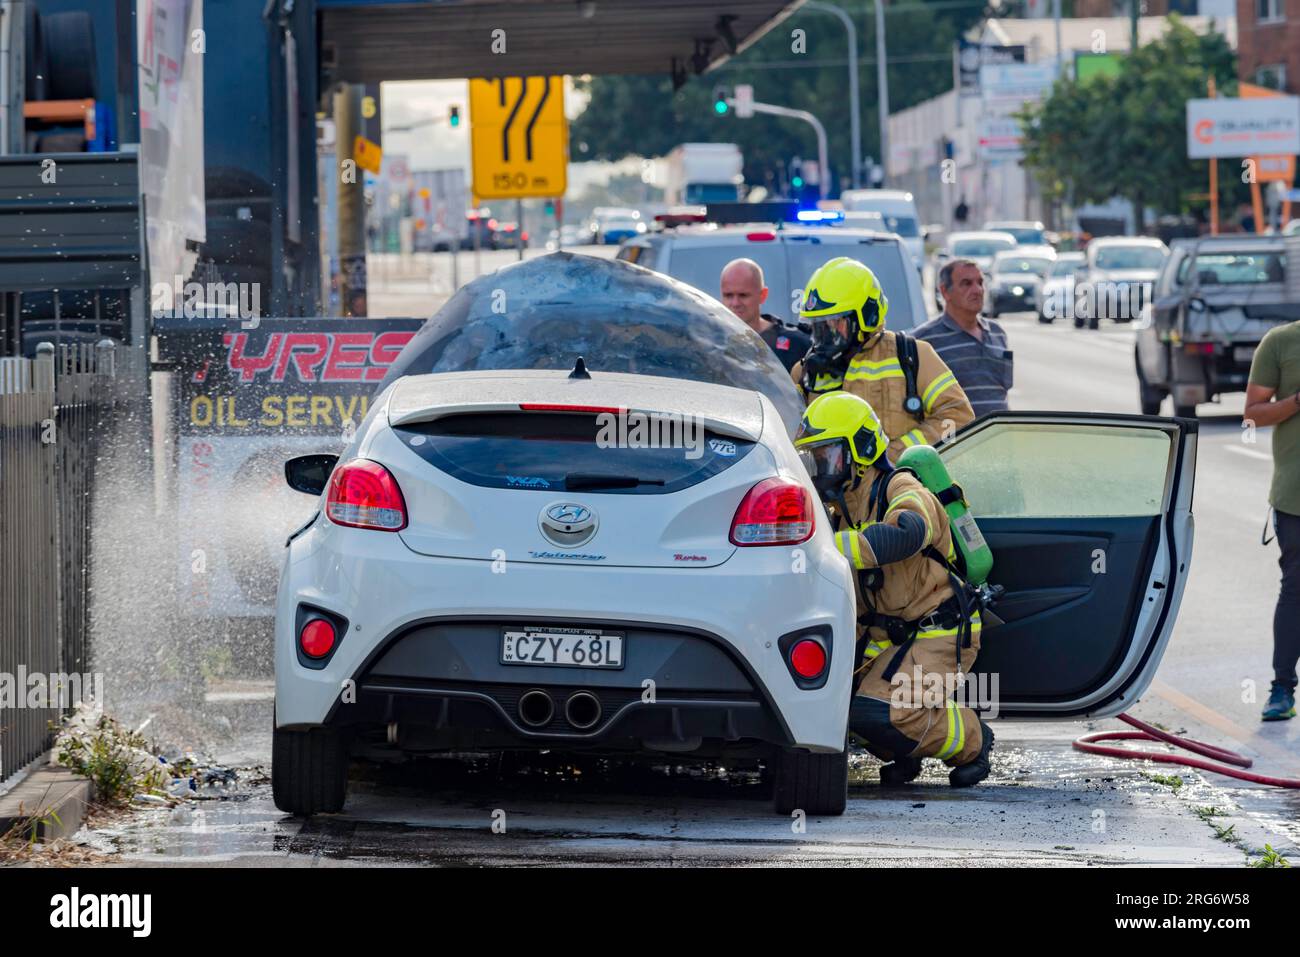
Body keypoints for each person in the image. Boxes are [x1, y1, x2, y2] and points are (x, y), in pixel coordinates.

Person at [795, 390, 993, 786]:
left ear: (861, 448)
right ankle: (904, 746)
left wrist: (827, 547)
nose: (820, 467)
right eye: (813, 457)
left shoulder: (900, 487)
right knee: (830, 706)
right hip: (885, 635)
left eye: (827, 455)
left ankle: (973, 738)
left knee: (875, 711)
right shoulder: (839, 508)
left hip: (939, 630)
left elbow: (908, 531)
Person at [789, 257, 974, 462]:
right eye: (819, 325)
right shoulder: (805, 373)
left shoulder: (913, 356)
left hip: (903, 486)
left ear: (867, 316)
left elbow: (958, 418)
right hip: (829, 493)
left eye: (834, 323)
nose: (825, 334)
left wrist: (896, 456)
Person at [1245, 320, 1300, 721]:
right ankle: (1282, 688)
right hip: (1295, 498)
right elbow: (1253, 415)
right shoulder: (1281, 342)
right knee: (1296, 590)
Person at [913, 259, 1013, 418]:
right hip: (956, 440)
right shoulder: (922, 341)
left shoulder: (997, 333)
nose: (977, 290)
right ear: (945, 291)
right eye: (966, 283)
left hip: (999, 438)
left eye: (980, 282)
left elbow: (1002, 392)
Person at [719, 258, 811, 374]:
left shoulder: (797, 345)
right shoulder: (711, 342)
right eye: (728, 295)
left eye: (743, 295)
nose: (735, 303)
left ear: (763, 295)